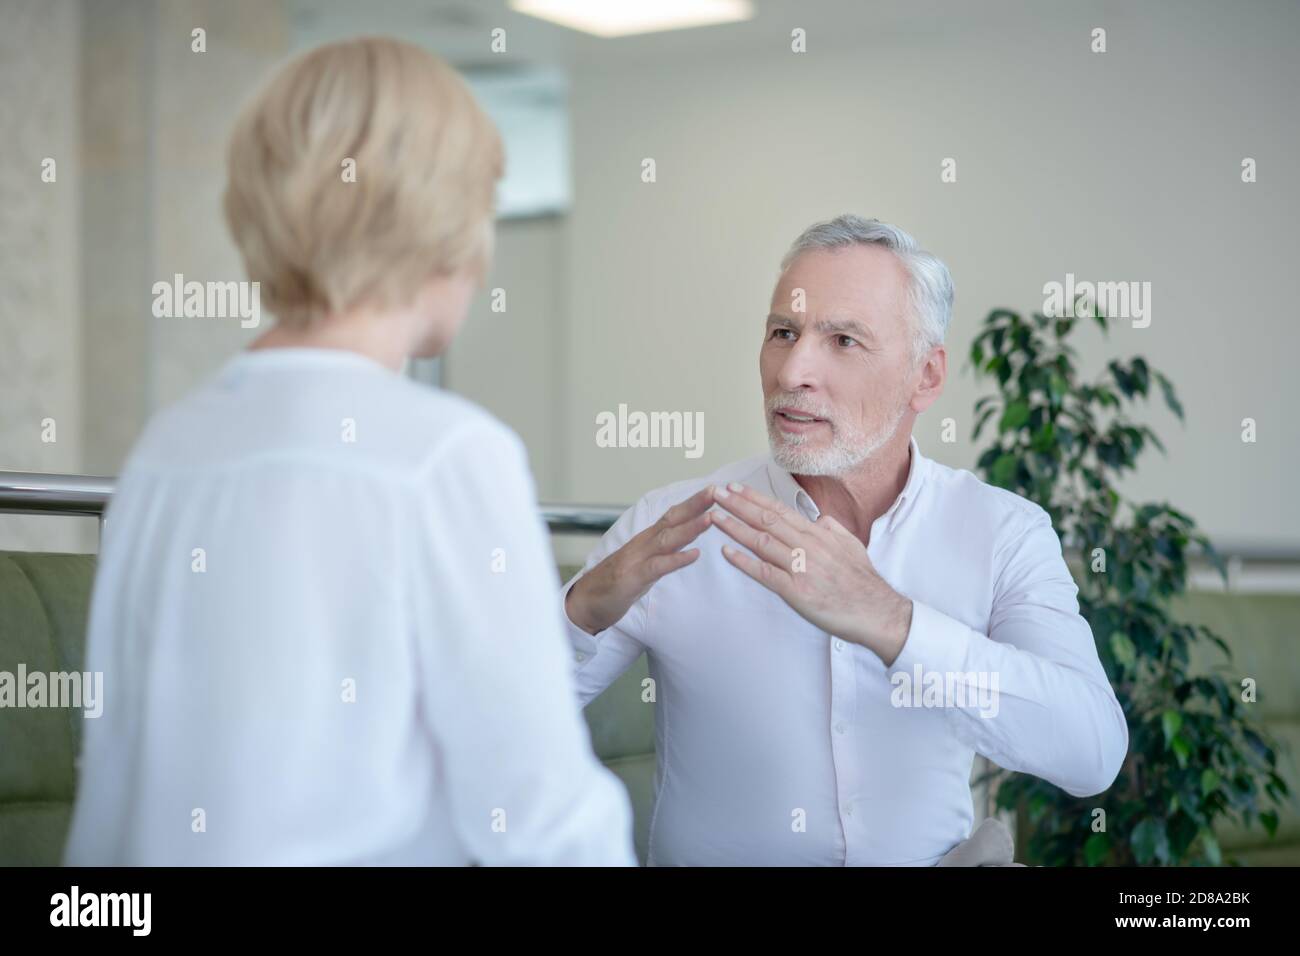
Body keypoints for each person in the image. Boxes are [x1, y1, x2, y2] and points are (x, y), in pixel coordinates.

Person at [64, 37, 634, 866]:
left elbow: (114, 794)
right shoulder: (450, 457)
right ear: (443, 224)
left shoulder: (167, 449)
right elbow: (541, 819)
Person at [562, 215, 1129, 866]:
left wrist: (893, 623)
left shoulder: (1002, 531)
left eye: (843, 340)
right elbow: (492, 720)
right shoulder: (672, 526)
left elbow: (1092, 753)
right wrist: (577, 613)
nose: (794, 370)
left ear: (926, 376)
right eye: (783, 333)